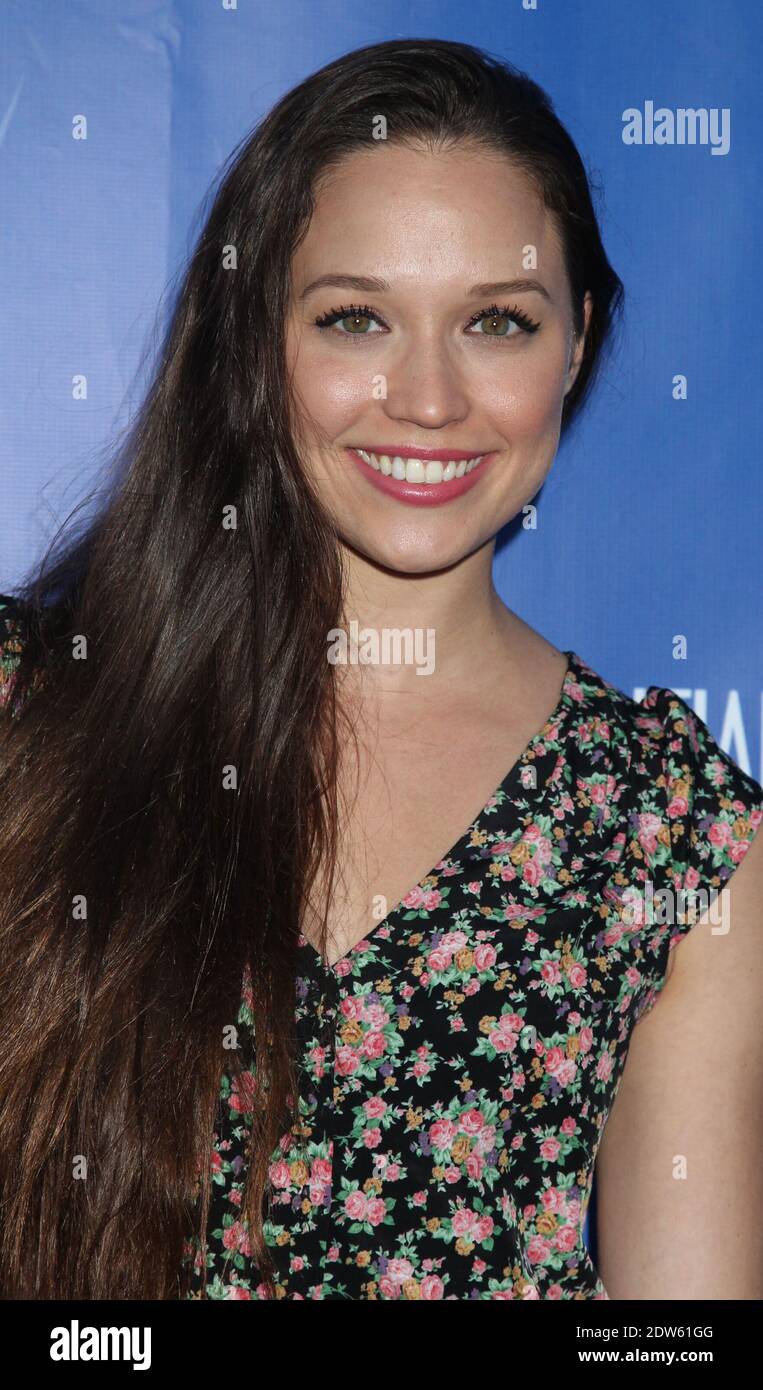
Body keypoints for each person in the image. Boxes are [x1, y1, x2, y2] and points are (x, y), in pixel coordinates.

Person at [1, 37, 761, 1303]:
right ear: (255, 337)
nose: (426, 397)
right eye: (355, 318)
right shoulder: (33, 707)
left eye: (497, 323)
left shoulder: (669, 832)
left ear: (573, 351)